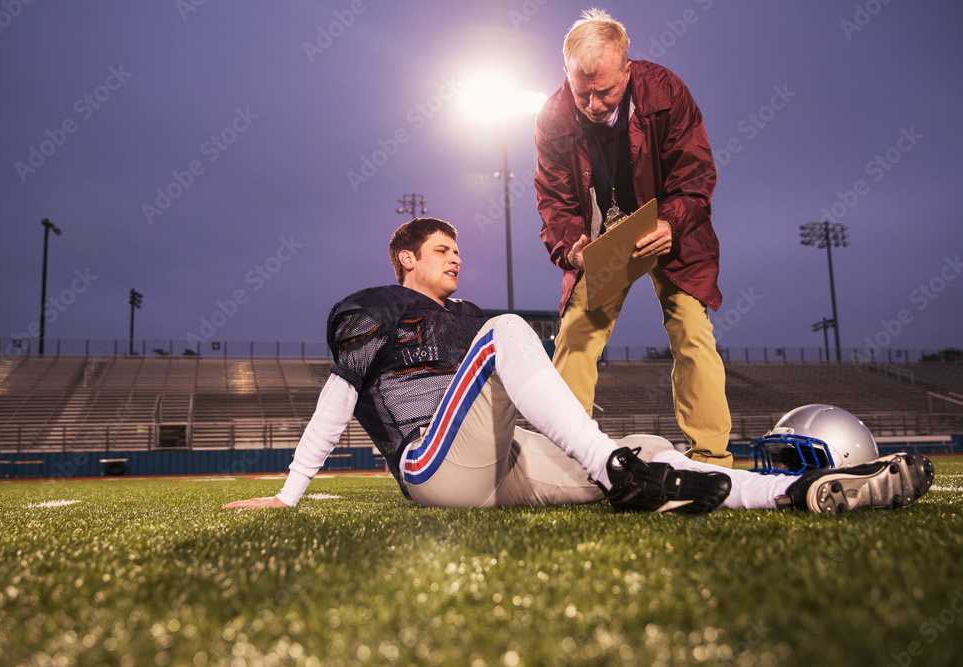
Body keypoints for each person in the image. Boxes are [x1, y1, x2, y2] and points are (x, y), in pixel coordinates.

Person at [224, 218, 934, 515]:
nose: (456, 257)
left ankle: (791, 493)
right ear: (407, 257)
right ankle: (615, 469)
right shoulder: (370, 306)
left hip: (508, 463)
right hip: (433, 464)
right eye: (443, 249)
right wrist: (291, 493)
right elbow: (337, 396)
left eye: (457, 249)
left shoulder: (470, 316)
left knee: (654, 448)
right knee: (508, 328)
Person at [534, 9, 733, 468]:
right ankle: (567, 458)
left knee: (691, 329)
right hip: (603, 238)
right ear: (565, 74)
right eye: (582, 92)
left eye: (605, 91)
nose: (594, 104)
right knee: (577, 333)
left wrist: (669, 223)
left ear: (628, 68)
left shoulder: (665, 91)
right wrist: (571, 246)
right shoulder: (553, 116)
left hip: (671, 228)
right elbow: (554, 202)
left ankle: (711, 458)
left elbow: (696, 174)